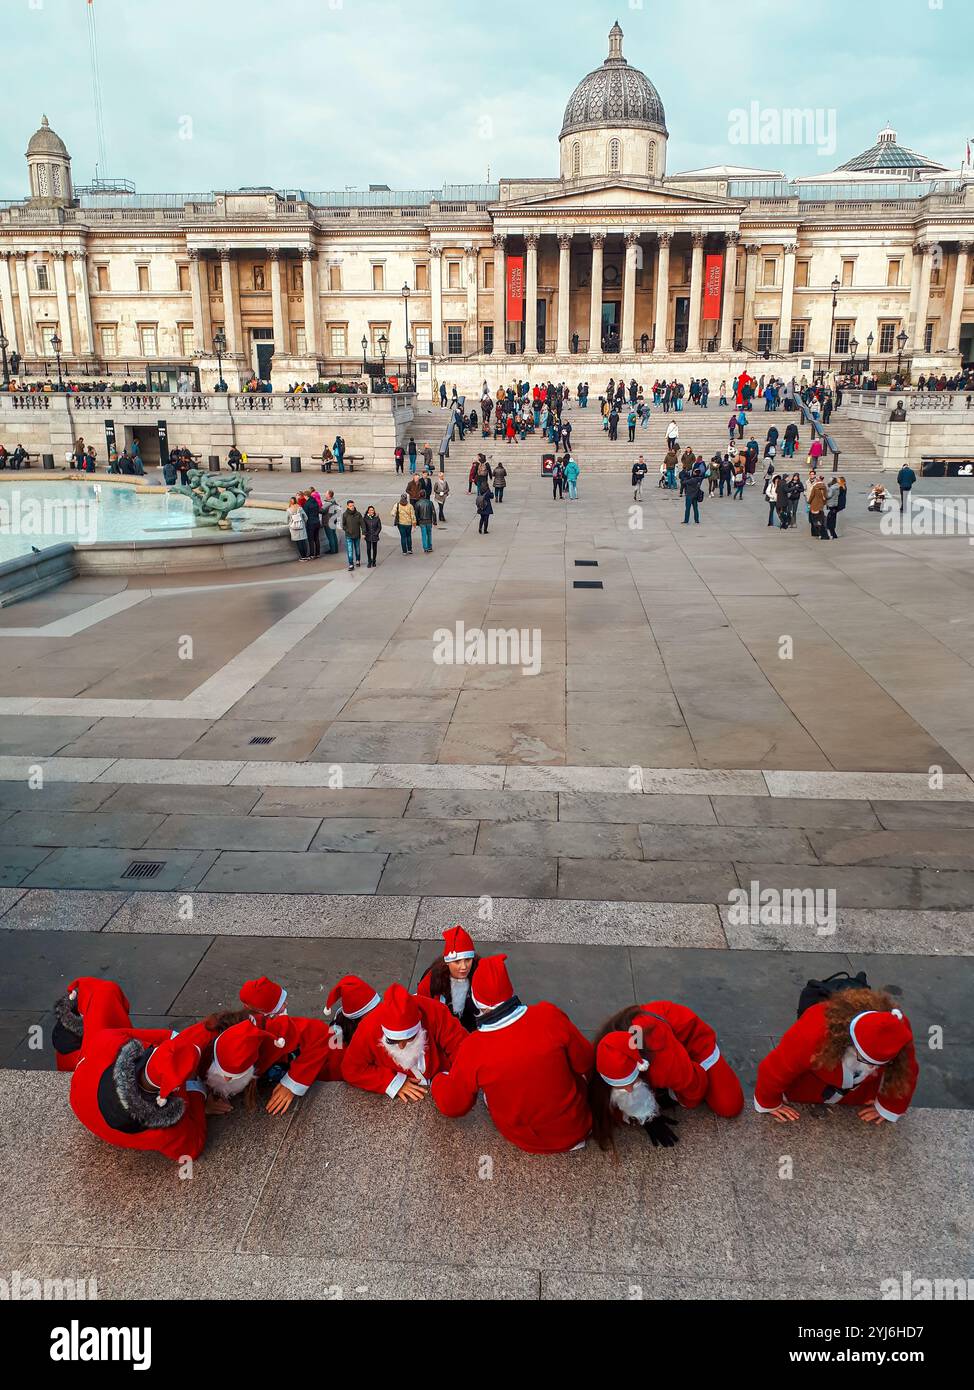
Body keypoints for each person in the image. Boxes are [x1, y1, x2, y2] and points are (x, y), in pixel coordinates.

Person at [431, 955, 593, 1153]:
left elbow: (454, 1105)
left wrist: (438, 1079)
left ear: (477, 1001)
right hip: (578, 1125)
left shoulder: (474, 1048)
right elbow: (585, 1061)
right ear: (509, 991)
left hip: (528, 1139)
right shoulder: (548, 1015)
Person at [57, 976, 223, 1162]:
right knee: (104, 997)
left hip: (84, 1089)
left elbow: (141, 1037)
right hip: (86, 1087)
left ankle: (70, 1017)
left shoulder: (111, 1043)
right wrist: (198, 1092)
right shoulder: (169, 1129)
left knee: (105, 992)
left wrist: (174, 1041)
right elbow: (192, 1148)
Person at [590, 999, 744, 1150]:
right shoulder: (606, 1054)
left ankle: (684, 1071)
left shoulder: (662, 1061)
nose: (628, 1091)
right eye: (619, 1086)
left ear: (640, 1067)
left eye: (630, 1083)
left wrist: (672, 1098)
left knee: (729, 1105)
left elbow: (695, 1086)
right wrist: (646, 1117)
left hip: (693, 1042)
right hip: (660, 1052)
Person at [754, 984, 918, 1125]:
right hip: (808, 1088)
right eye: (864, 1059)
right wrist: (770, 1103)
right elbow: (777, 1068)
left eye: (877, 1064)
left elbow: (907, 1071)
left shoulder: (897, 1030)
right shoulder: (813, 1031)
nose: (870, 1067)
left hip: (858, 1095)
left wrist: (888, 1107)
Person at [341, 983, 466, 1101]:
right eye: (392, 1040)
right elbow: (350, 1068)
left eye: (409, 1039)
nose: (401, 1046)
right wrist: (392, 1082)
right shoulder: (368, 1028)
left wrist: (453, 1080)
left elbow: (461, 1047)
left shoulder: (435, 1011)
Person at [416, 925, 480, 1031]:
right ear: (447, 962)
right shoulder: (432, 979)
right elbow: (423, 1007)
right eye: (457, 962)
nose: (464, 967)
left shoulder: (480, 971)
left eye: (468, 960)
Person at [287, 496, 309, 561]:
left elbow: (287, 520)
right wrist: (303, 523)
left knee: (299, 543)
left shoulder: (289, 510)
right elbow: (306, 518)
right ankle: (305, 556)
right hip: (301, 527)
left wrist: (290, 525)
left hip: (294, 529)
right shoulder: (300, 508)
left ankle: (302, 557)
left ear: (290, 502)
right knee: (303, 542)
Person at [414, 488, 435, 553]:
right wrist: (435, 521)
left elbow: (416, 514)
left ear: (420, 495)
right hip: (429, 520)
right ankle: (430, 547)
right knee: (429, 534)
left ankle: (425, 548)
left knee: (424, 535)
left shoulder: (417, 503)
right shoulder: (430, 502)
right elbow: (433, 512)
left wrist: (417, 522)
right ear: (425, 495)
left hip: (422, 521)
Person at [808, 473, 828, 539]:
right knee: (820, 518)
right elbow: (825, 496)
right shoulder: (824, 487)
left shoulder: (815, 486)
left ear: (818, 480)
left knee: (814, 519)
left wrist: (809, 502)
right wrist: (824, 503)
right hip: (821, 505)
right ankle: (821, 532)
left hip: (814, 504)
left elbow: (811, 495)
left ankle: (815, 532)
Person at [302, 490, 321, 558]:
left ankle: (312, 554)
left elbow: (305, 515)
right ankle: (318, 553)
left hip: (310, 523)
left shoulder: (307, 504)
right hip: (317, 522)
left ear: (306, 496)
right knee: (316, 538)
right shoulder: (315, 501)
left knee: (311, 539)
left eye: (304, 496)